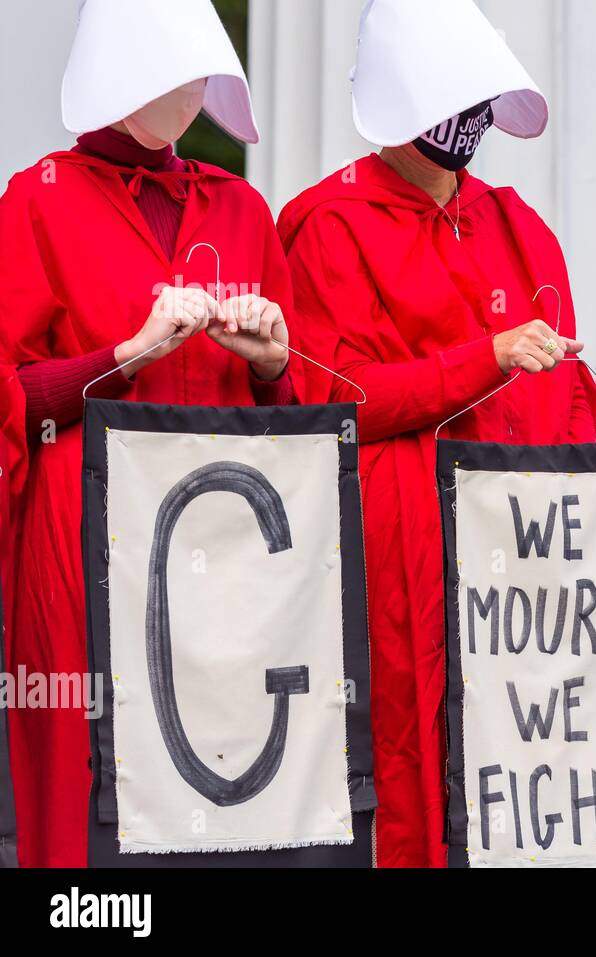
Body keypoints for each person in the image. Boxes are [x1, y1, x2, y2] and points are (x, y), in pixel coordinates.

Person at [278, 0, 596, 868]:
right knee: (413, 765)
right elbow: (334, 401)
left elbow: (575, 397)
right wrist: (482, 359)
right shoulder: (327, 224)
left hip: (527, 555)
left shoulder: (521, 227)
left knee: (537, 766)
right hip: (402, 548)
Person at [0, 0, 297, 867]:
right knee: (83, 765)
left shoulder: (242, 207)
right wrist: (124, 356)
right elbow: (14, 397)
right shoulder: (37, 201)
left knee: (227, 756)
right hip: (81, 529)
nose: (185, 91)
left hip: (223, 536)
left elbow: (300, 413)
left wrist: (273, 363)